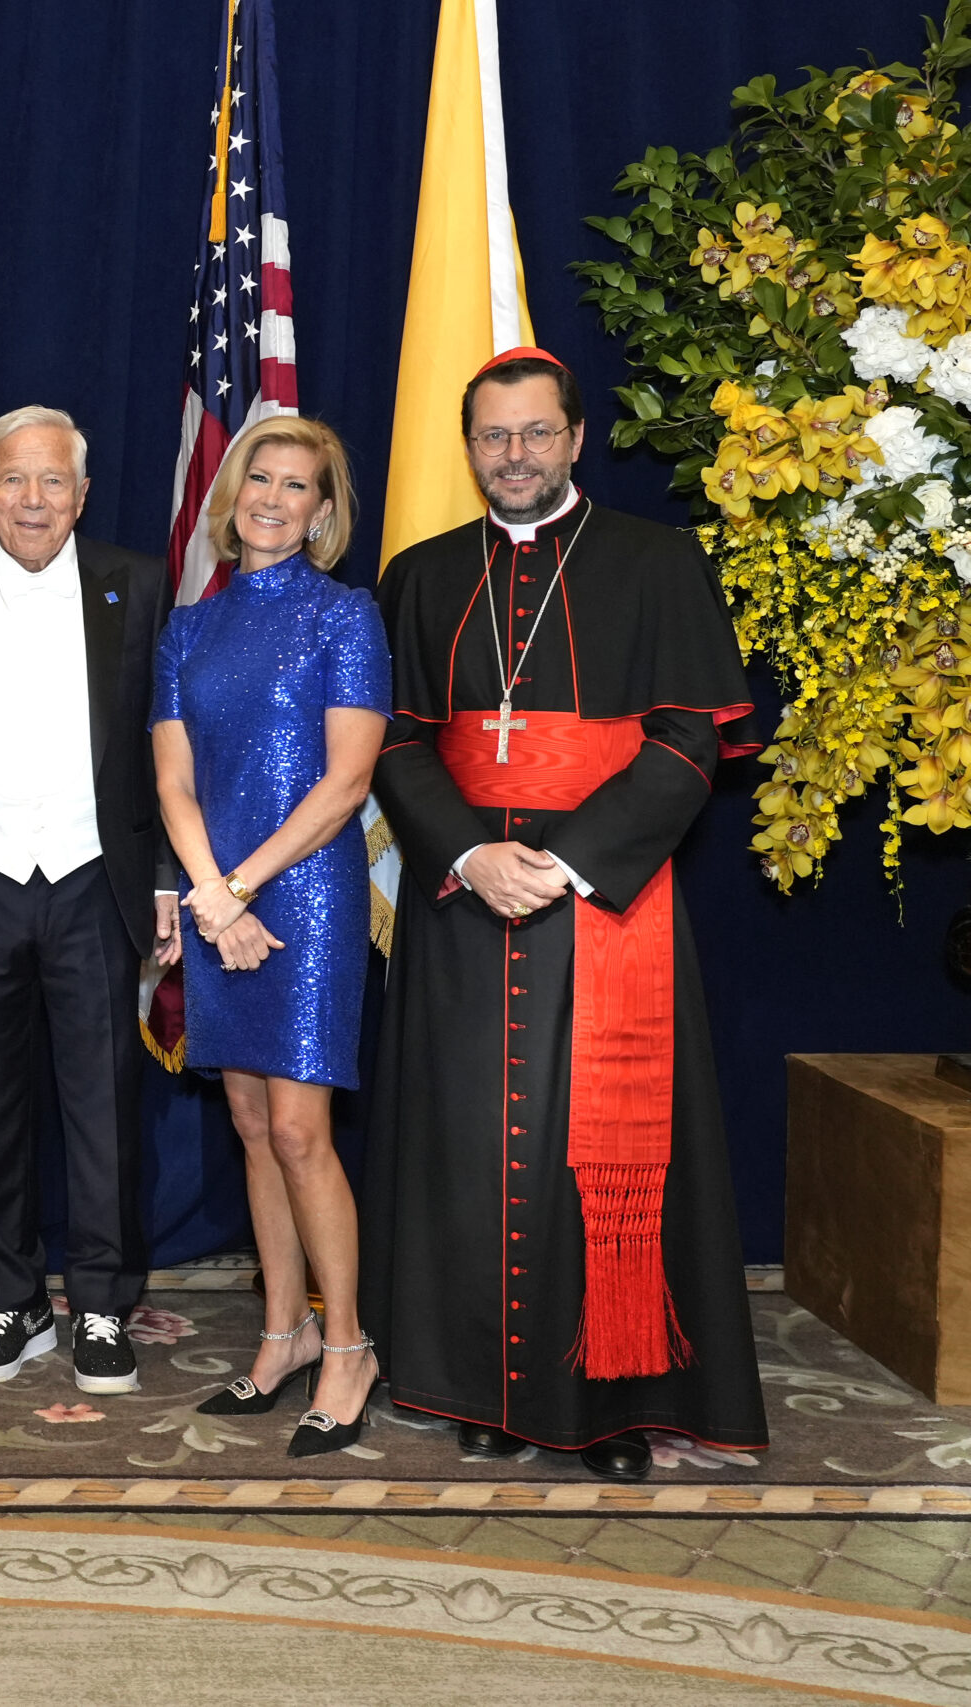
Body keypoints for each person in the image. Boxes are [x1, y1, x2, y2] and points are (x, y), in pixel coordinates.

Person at [362, 349, 767, 1481]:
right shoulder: (425, 572)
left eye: (536, 433)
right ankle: (480, 1387)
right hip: (462, 901)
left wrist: (564, 863)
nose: (515, 456)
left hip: (605, 902)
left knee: (595, 1154)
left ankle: (609, 1406)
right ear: (470, 449)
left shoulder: (653, 560)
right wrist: (470, 853)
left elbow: (690, 741)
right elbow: (395, 737)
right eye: (493, 438)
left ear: (577, 438)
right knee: (468, 1151)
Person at [0, 407, 180, 1396]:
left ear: (82, 494)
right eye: (13, 480)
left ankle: (101, 1302)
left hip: (97, 882)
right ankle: (12, 1299)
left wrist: (168, 878)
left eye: (53, 481)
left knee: (102, 1106)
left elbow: (167, 747)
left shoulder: (137, 586)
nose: (32, 500)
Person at [149, 414, 389, 1457]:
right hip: (220, 903)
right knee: (249, 1129)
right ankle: (281, 1334)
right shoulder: (186, 629)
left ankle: (348, 1348)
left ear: (322, 513)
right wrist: (210, 896)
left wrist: (238, 889)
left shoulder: (346, 617)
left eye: (298, 487)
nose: (273, 498)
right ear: (231, 491)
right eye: (261, 477)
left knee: (300, 1133)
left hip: (304, 902)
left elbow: (346, 785)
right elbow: (171, 782)